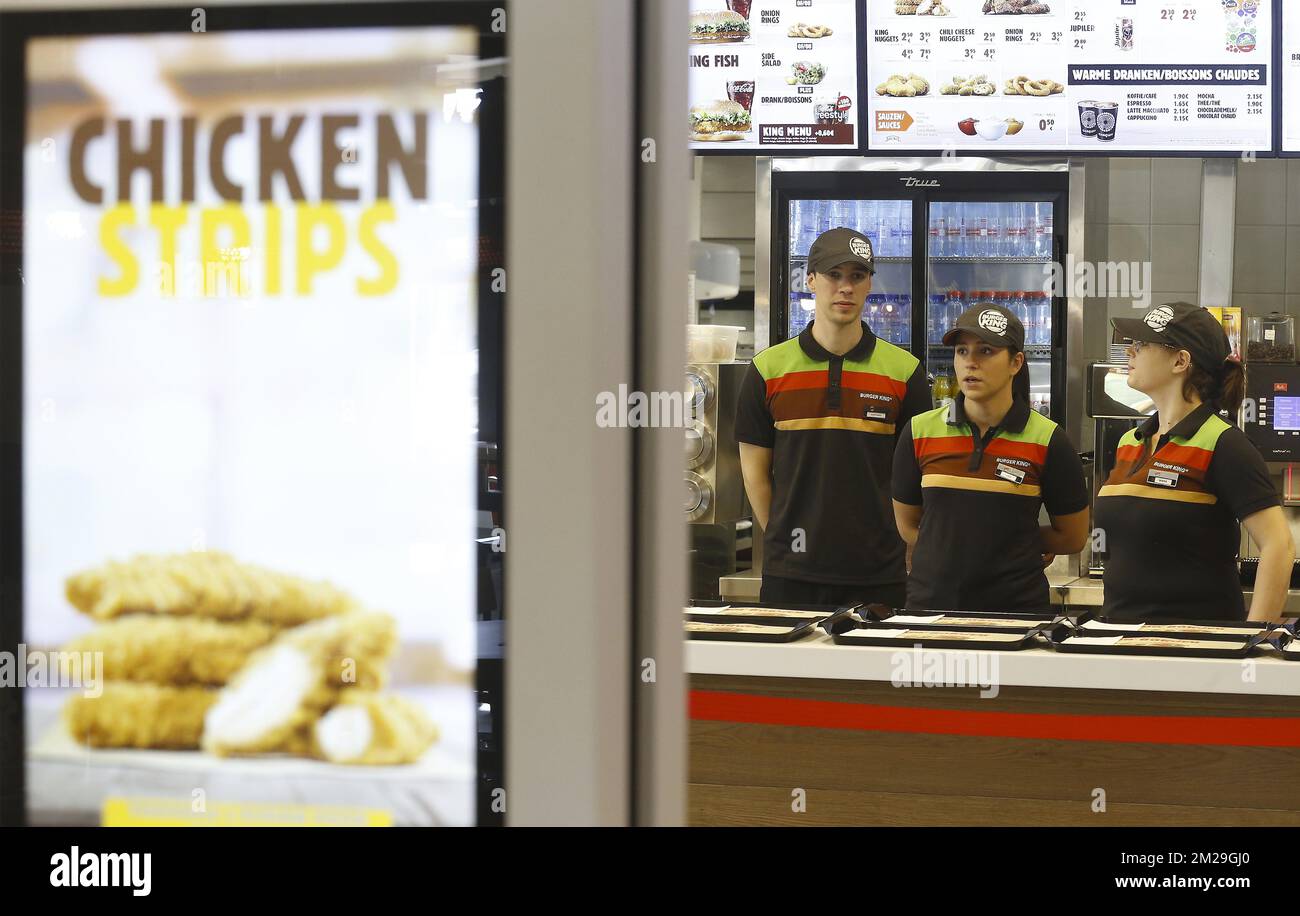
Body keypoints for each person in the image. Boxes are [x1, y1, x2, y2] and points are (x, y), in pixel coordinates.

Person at [735, 227, 932, 607]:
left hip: (879, 575)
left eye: (857, 276)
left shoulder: (905, 372)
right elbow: (754, 472)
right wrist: (783, 540)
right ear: (810, 279)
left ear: (870, 284)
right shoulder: (767, 369)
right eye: (833, 275)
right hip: (790, 576)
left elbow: (918, 477)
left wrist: (908, 545)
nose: (846, 288)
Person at [1096, 302, 1294, 621]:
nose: (1130, 352)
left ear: (1180, 360)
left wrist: (1252, 639)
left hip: (1194, 648)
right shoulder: (1130, 442)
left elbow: (1279, 546)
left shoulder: (1223, 443)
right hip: (1123, 640)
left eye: (1143, 344)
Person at [892, 303, 1090, 612]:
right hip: (930, 608)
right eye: (961, 351)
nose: (970, 363)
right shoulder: (919, 432)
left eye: (985, 351)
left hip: (1015, 612)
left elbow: (1073, 536)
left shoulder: (1049, 440)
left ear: (1015, 362)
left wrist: (1007, 543)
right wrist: (961, 546)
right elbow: (909, 525)